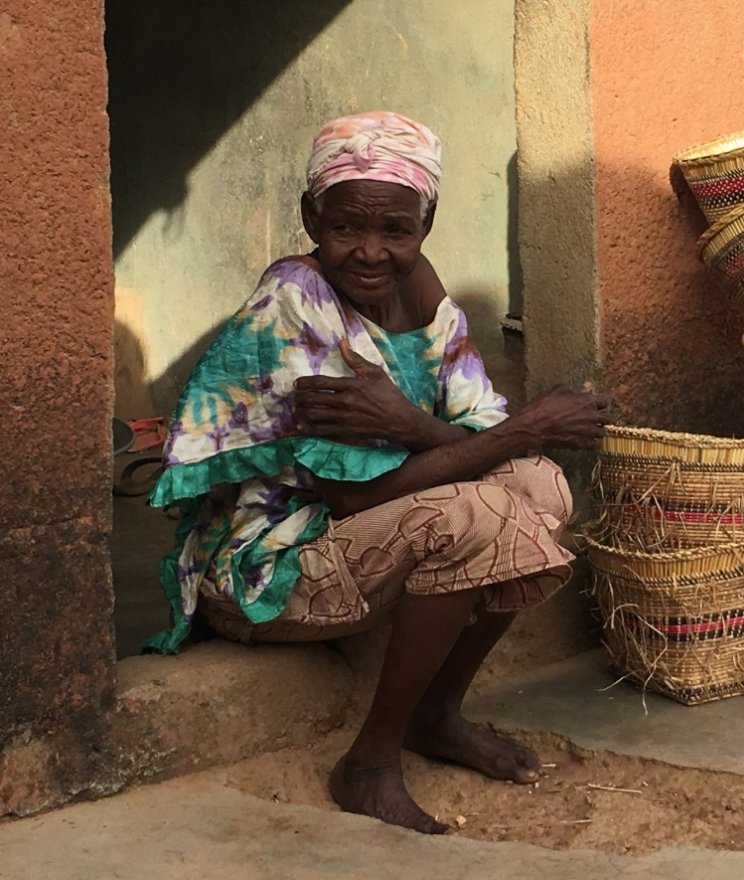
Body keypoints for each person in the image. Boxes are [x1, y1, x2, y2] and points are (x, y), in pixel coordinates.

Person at [147, 111, 606, 833]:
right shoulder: (293, 301)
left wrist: (412, 426)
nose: (370, 252)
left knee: (538, 483)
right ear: (310, 217)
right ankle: (367, 763)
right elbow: (355, 488)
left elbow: (489, 432)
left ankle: (436, 715)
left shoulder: (419, 293)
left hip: (354, 544)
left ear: (425, 221)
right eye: (345, 229)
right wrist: (528, 426)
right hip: (266, 570)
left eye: (396, 231)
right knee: (474, 508)